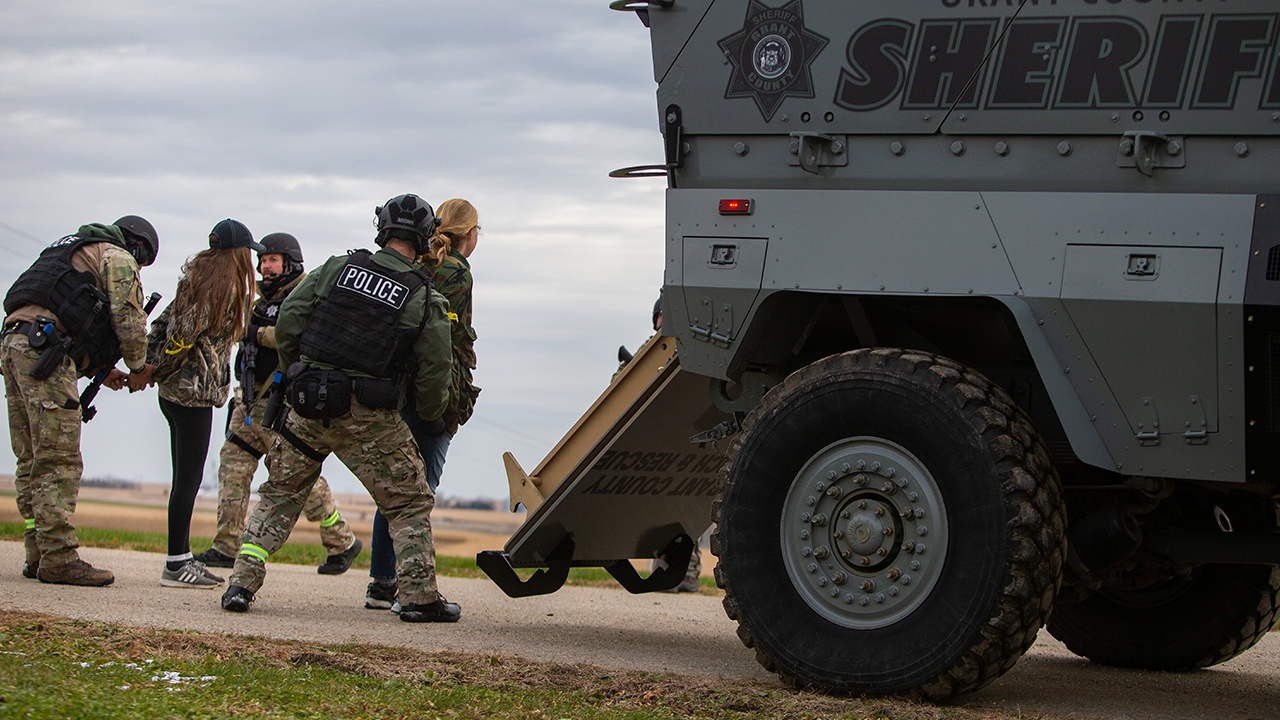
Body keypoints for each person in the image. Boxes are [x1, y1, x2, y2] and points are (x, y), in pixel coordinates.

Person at [221, 193, 459, 623]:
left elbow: (289, 321)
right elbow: (435, 371)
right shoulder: (424, 297)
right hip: (370, 417)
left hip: (308, 406)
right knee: (408, 502)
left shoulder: (337, 268)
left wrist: (298, 372)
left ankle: (240, 584)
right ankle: (419, 598)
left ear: (382, 229)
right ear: (426, 238)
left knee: (279, 495)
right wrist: (430, 414)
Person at [2, 215, 159, 586]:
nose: (139, 269)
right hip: (44, 352)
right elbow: (128, 318)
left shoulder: (69, 249)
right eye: (143, 261)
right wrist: (138, 367)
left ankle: (38, 553)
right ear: (137, 246)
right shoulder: (117, 256)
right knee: (58, 457)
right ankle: (58, 558)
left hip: (14, 343)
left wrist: (101, 371)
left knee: (32, 457)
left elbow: (70, 314)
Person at [193, 232, 362, 574]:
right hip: (248, 401)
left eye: (272, 260)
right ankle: (226, 546)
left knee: (296, 475)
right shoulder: (257, 303)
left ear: (290, 263)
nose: (265, 267)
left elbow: (291, 336)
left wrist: (254, 333)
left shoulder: (305, 294)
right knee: (232, 468)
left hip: (281, 402)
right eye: (262, 260)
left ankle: (342, 541)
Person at [365, 198, 482, 611]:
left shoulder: (415, 263)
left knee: (394, 488)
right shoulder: (457, 273)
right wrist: (450, 405)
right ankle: (412, 587)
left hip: (395, 390)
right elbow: (449, 347)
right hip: (432, 395)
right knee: (420, 491)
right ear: (470, 234)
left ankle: (382, 582)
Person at [146, 219, 260, 588]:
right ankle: (175, 564)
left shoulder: (195, 279)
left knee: (185, 478)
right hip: (192, 394)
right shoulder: (222, 288)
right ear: (238, 253)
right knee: (188, 480)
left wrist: (150, 366)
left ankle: (181, 558)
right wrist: (160, 367)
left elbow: (163, 324)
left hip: (174, 393)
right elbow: (182, 333)